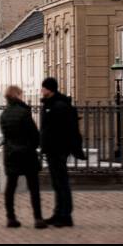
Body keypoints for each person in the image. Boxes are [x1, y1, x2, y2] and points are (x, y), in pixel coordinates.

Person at [39, 77, 84, 227]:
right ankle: (59, 213)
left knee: (61, 183)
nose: (41, 90)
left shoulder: (58, 105)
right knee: (57, 183)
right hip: (53, 149)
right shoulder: (50, 104)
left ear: (49, 89)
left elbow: (62, 129)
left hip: (58, 149)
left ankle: (65, 215)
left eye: (43, 88)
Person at [0, 86, 46, 229]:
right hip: (27, 153)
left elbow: (6, 135)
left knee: (10, 187)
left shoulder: (4, 114)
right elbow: (34, 134)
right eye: (21, 94)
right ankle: (38, 218)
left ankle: (11, 217)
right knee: (34, 187)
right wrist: (34, 145)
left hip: (11, 153)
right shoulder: (24, 113)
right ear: (17, 95)